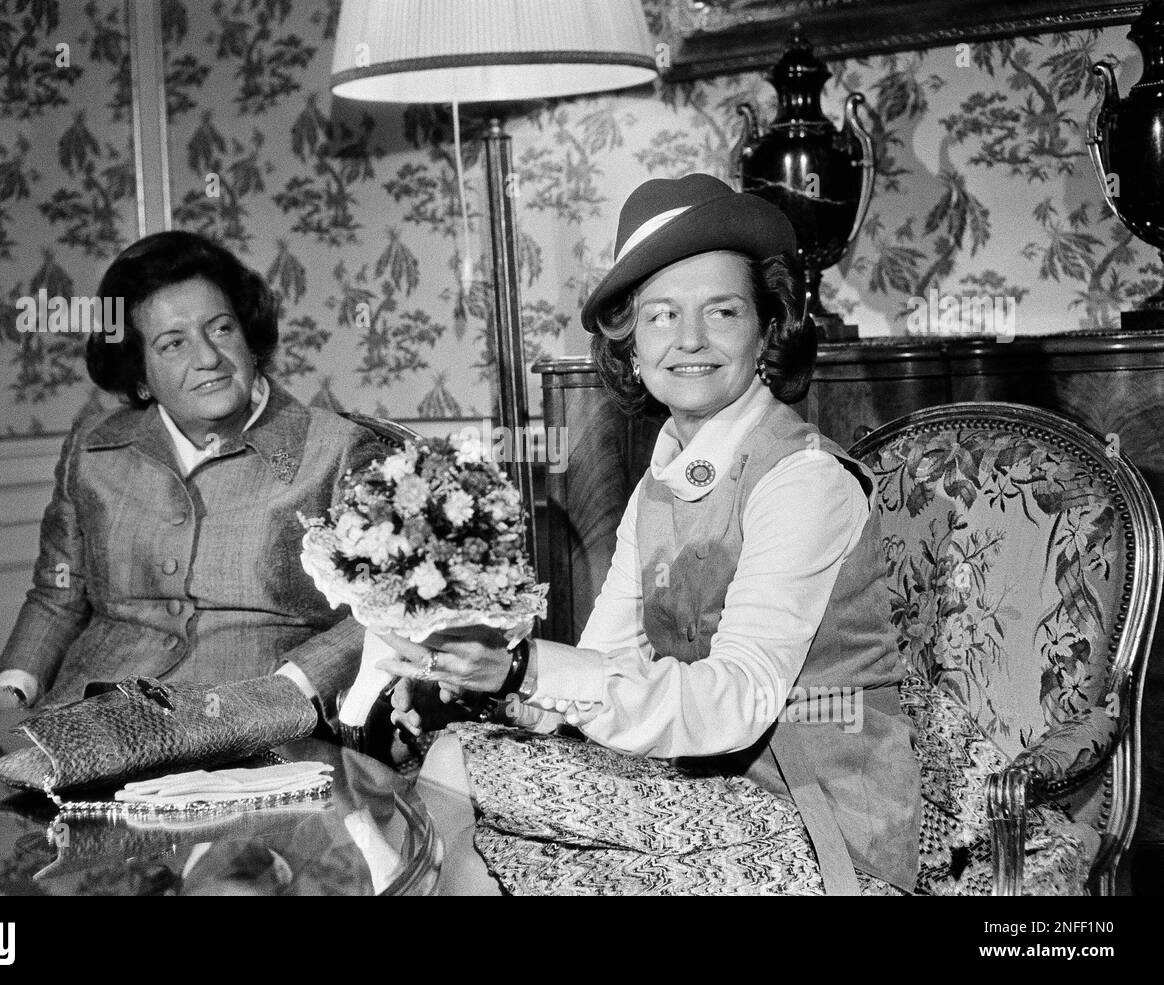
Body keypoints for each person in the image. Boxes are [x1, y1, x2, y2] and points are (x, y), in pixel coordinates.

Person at [381, 174, 922, 895]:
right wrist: (484, 685)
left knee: (461, 778)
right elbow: (608, 665)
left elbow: (736, 701)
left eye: (721, 312)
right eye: (662, 316)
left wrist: (525, 668)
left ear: (766, 330)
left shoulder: (804, 479)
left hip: (821, 813)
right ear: (631, 343)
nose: (689, 340)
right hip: (709, 784)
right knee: (463, 775)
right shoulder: (664, 478)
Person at [0, 231, 387, 718]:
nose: (208, 358)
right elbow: (57, 596)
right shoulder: (93, 448)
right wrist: (10, 693)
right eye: (173, 344)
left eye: (221, 329)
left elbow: (384, 606)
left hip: (251, 723)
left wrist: (294, 683)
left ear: (249, 336)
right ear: (140, 373)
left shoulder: (336, 450)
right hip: (88, 716)